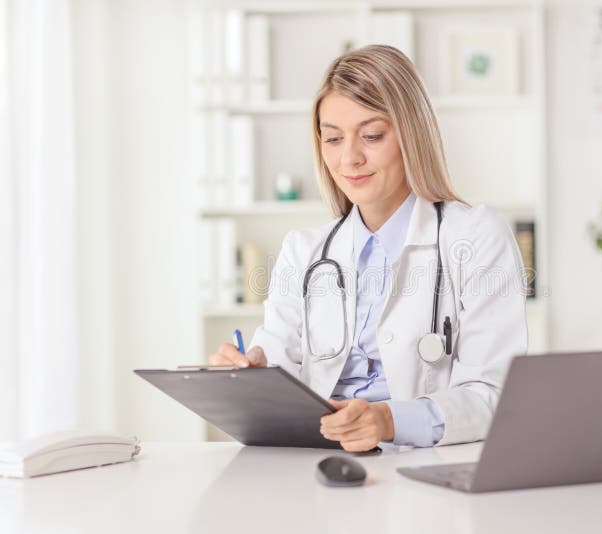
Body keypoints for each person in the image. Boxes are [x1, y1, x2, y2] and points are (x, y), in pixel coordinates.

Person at [209, 45, 527, 451]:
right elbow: (275, 361)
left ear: (412, 134)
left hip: (421, 464)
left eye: (372, 135)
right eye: (333, 139)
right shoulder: (303, 250)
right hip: (313, 459)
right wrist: (245, 374)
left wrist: (387, 420)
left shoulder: (475, 236)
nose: (349, 158)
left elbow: (492, 393)